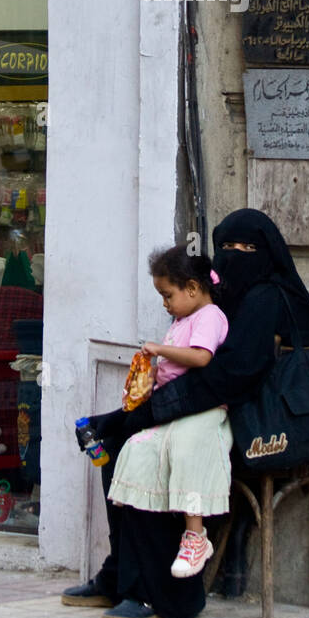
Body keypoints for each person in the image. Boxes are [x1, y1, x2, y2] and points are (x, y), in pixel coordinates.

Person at [61, 208, 309, 618]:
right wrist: (130, 413)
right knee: (114, 446)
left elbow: (229, 378)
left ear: (267, 253)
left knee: (145, 449)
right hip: (211, 412)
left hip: (254, 433)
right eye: (225, 247)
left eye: (246, 248)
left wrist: (143, 414)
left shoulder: (265, 299)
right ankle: (122, 575)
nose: (234, 256)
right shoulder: (221, 300)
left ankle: (165, 595)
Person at [107, 245, 231, 579]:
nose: (165, 303)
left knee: (186, 450)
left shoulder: (210, 317)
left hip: (200, 410)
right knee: (137, 446)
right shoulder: (183, 318)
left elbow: (201, 357)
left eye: (167, 295)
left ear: (192, 288)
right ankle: (135, 501)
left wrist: (159, 349)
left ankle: (195, 535)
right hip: (172, 406)